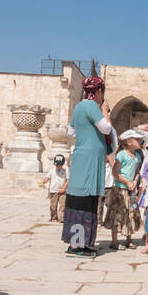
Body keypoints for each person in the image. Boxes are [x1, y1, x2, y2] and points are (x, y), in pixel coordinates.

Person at [62, 76, 114, 257]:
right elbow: (106, 128)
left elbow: (70, 131)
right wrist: (105, 111)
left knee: (78, 199)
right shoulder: (92, 106)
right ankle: (80, 246)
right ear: (99, 92)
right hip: (91, 159)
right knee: (86, 201)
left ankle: (77, 243)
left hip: (80, 156)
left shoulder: (79, 107)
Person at [105, 129, 143, 249]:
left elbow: (136, 171)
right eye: (137, 139)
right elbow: (115, 172)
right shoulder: (122, 155)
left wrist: (135, 181)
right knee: (118, 213)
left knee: (131, 212)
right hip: (120, 189)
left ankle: (129, 239)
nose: (140, 141)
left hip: (131, 190)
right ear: (129, 142)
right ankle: (114, 241)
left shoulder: (137, 156)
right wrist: (126, 182)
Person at [42, 154, 69, 221]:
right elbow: (47, 178)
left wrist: (63, 188)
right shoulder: (52, 171)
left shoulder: (65, 171)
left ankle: (62, 218)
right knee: (53, 206)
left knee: (63, 205)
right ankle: (54, 218)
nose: (57, 166)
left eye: (59, 165)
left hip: (62, 191)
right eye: (56, 164)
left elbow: (68, 180)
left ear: (62, 164)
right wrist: (43, 182)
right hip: (53, 191)